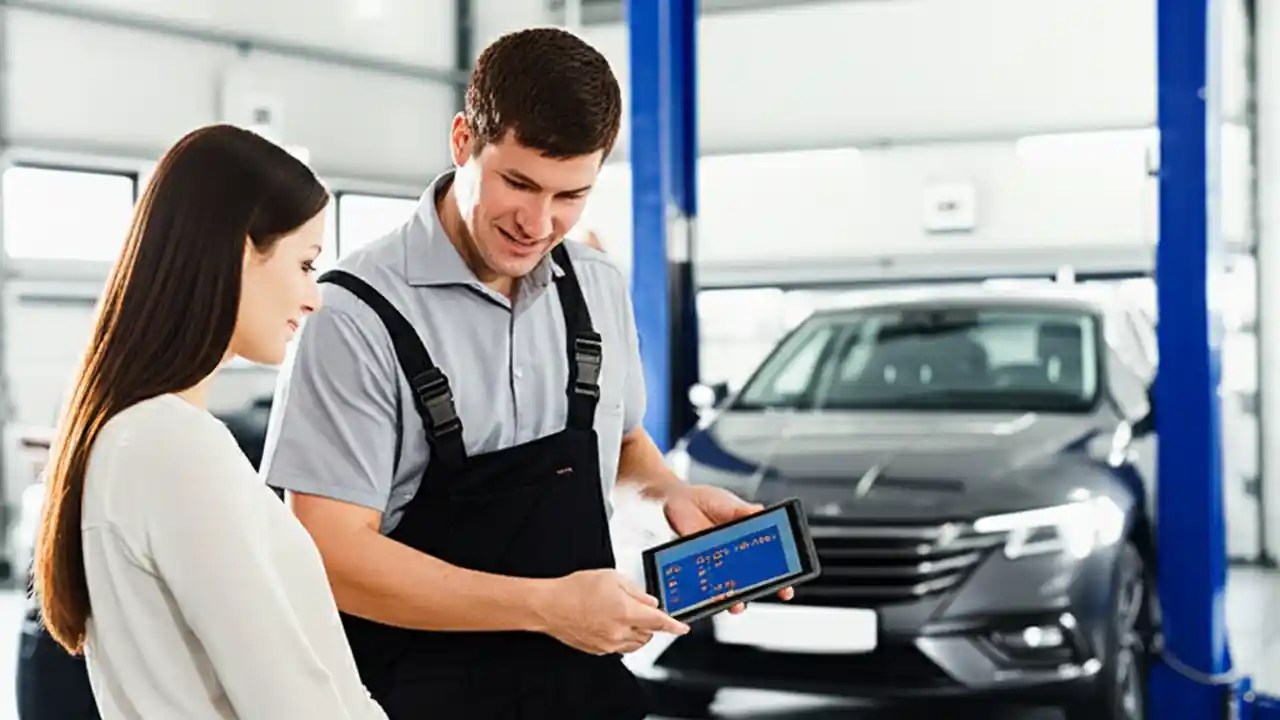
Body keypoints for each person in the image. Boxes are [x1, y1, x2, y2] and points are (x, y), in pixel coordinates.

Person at [260, 27, 791, 720]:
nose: (538, 222)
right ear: (462, 143)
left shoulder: (598, 286)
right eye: (518, 182)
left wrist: (667, 499)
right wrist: (545, 608)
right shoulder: (351, 315)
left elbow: (624, 448)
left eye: (571, 195)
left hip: (582, 694)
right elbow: (329, 558)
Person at [32, 124, 387, 720]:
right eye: (305, 264)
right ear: (240, 249)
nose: (314, 296)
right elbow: (290, 702)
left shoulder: (135, 435)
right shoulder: (172, 446)